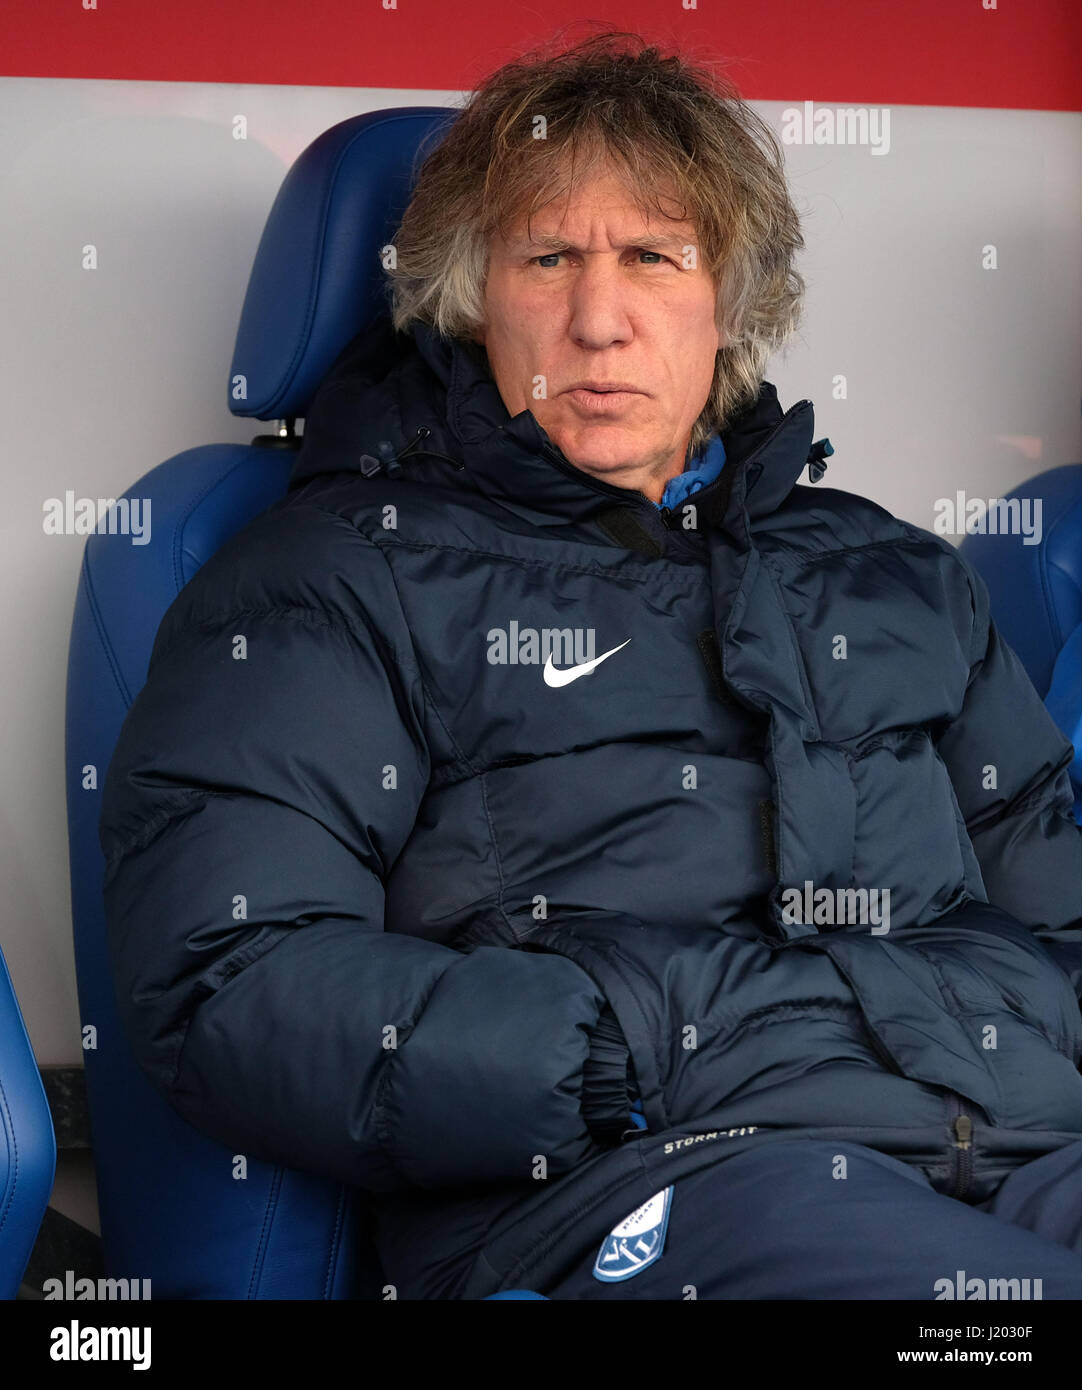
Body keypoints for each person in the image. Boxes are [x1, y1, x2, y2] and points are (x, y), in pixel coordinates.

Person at [99, 30, 1082, 1300]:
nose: (598, 319)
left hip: (1005, 1140)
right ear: (468, 295)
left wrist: (1007, 1050)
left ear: (727, 298)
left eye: (651, 258)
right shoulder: (334, 577)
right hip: (641, 1180)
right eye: (547, 257)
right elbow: (234, 976)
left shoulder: (892, 571)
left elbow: (1056, 909)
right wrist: (612, 1057)